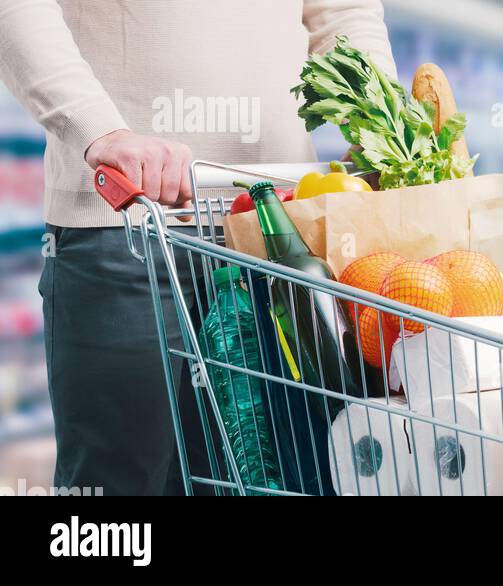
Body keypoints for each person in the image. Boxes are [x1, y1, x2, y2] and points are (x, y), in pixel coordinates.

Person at [0, 0, 399, 495]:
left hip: (284, 230)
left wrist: (383, 126)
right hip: (129, 221)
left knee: (300, 474)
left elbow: (342, 9)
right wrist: (98, 130)